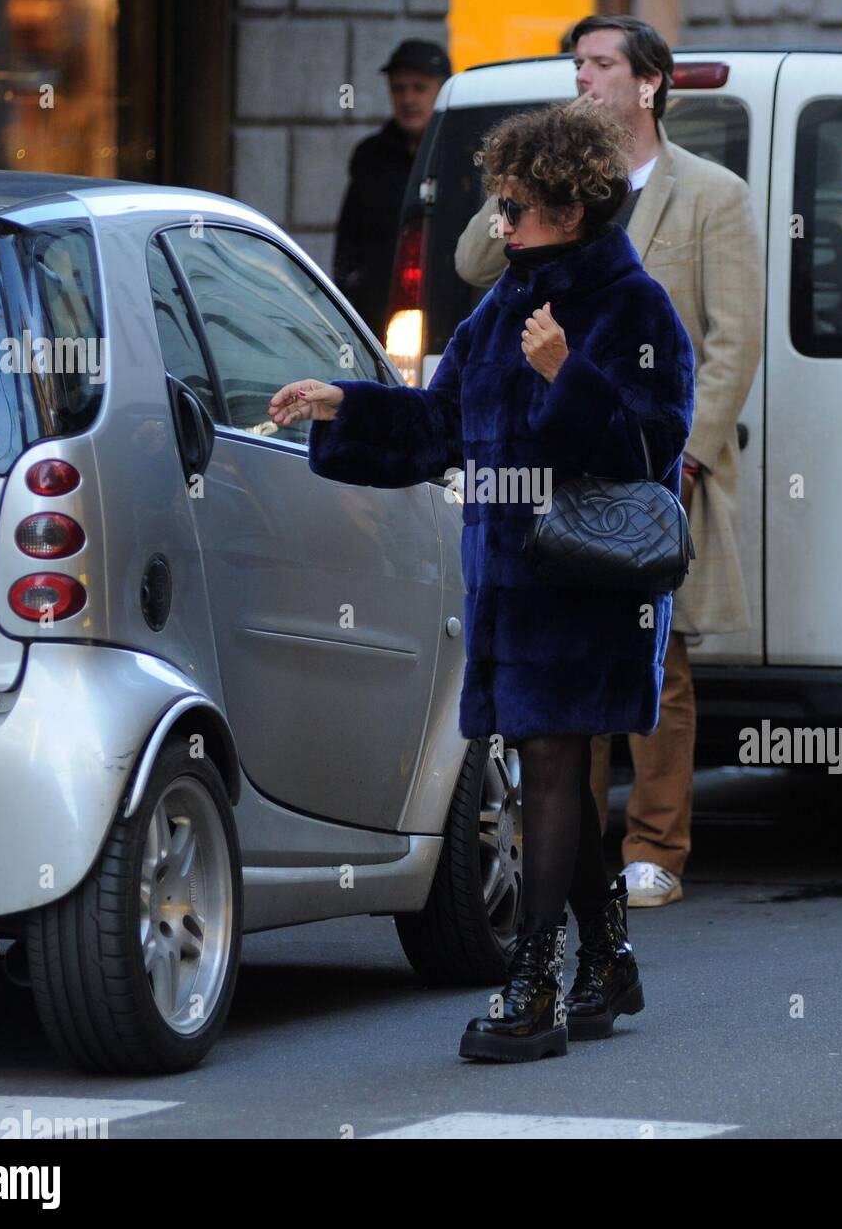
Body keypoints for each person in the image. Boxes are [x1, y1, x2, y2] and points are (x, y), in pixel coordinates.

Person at [268, 101, 694, 1063]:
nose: (500, 223)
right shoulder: (500, 306)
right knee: (555, 778)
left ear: (573, 208)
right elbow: (436, 429)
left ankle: (533, 981)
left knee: (547, 766)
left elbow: (652, 449)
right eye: (499, 203)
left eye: (517, 207)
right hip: (506, 580)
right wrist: (341, 403)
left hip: (590, 583)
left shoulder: (634, 308)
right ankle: (608, 961)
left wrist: (567, 375)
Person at [454, 13, 764, 911]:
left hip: (649, 461)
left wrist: (689, 454)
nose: (583, 76)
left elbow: (731, 341)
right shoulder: (547, 192)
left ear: (649, 83)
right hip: (549, 469)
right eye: (576, 64)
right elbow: (476, 260)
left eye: (600, 64)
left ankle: (655, 847)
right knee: (564, 672)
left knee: (653, 665)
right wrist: (515, 190)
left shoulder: (709, 193)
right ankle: (576, 852)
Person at [332, 38, 450, 340]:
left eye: (419, 88)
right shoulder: (370, 155)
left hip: (449, 315)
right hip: (377, 319)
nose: (408, 98)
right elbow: (349, 239)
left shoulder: (463, 153)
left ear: (443, 90)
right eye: (399, 88)